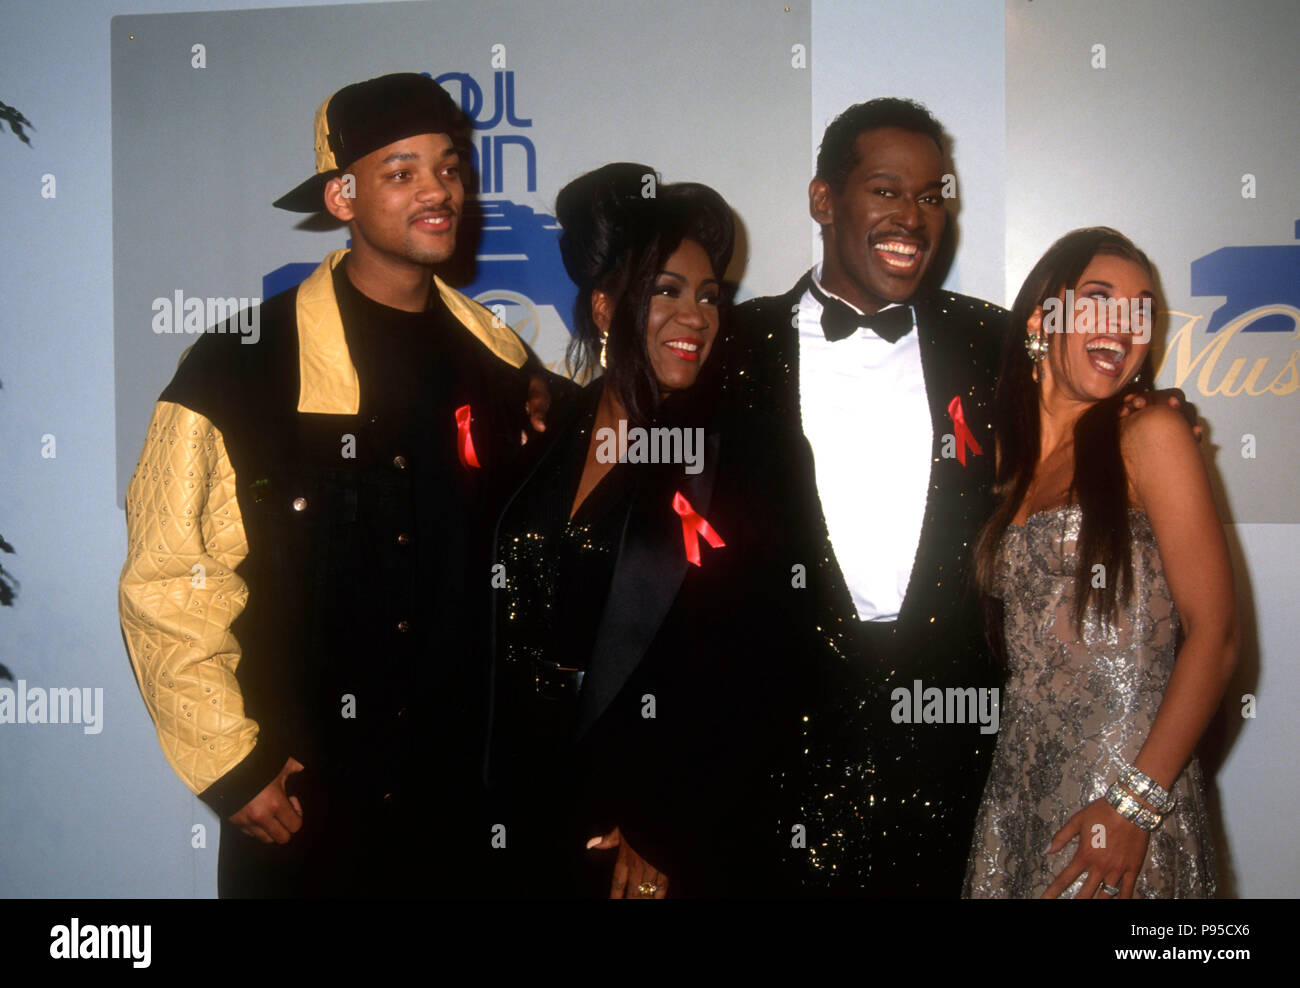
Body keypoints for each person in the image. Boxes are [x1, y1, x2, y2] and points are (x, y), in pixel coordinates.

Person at [118, 73, 549, 897]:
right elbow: (169, 576)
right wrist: (230, 765)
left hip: (469, 813)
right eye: (402, 171)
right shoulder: (239, 364)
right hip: (311, 814)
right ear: (342, 196)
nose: (439, 192)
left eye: (450, 167)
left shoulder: (501, 366)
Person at [483, 163, 808, 897]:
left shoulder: (745, 454)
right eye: (666, 291)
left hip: (642, 822)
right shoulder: (544, 428)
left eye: (709, 297)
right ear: (605, 306)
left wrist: (668, 827)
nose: (696, 316)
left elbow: (766, 665)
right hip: (517, 797)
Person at [725, 98, 1005, 896]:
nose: (912, 217)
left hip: (955, 751)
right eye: (887, 190)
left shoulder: (994, 343)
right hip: (779, 757)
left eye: (931, 195)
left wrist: (1145, 422)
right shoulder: (735, 348)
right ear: (824, 200)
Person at [963, 228, 1233, 898]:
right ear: (1040, 318)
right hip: (1017, 799)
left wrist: (1135, 806)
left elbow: (1217, 636)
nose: (1123, 322)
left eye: (1140, 309)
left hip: (1126, 805)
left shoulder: (1151, 435)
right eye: (1099, 299)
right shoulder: (1001, 462)